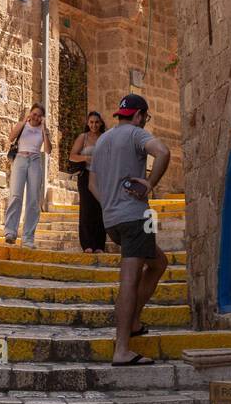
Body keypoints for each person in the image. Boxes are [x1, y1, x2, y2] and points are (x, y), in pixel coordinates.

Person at [88, 93, 170, 366]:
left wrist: (110, 204)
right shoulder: (136, 134)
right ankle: (122, 349)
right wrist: (149, 183)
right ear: (138, 115)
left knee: (158, 263)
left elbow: (92, 184)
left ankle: (133, 321)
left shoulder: (102, 140)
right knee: (129, 280)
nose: (144, 122)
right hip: (135, 218)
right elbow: (163, 152)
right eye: (144, 117)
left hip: (111, 220)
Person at [3, 103, 51, 247]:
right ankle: (10, 232)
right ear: (30, 113)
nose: (36, 117)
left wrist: (44, 130)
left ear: (42, 118)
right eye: (34, 114)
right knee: (15, 196)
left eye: (39, 116)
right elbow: (11, 137)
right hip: (20, 159)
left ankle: (28, 238)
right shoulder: (22, 125)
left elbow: (48, 150)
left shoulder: (43, 130)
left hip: (35, 161)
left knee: (33, 200)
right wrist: (24, 121)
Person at [68, 112, 107, 252]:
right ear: (87, 123)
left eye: (96, 122)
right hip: (85, 176)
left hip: (101, 176)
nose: (94, 125)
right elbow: (72, 156)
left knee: (100, 209)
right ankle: (87, 244)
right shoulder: (83, 137)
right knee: (86, 209)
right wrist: (86, 158)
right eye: (91, 122)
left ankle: (99, 245)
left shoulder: (105, 137)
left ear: (101, 123)